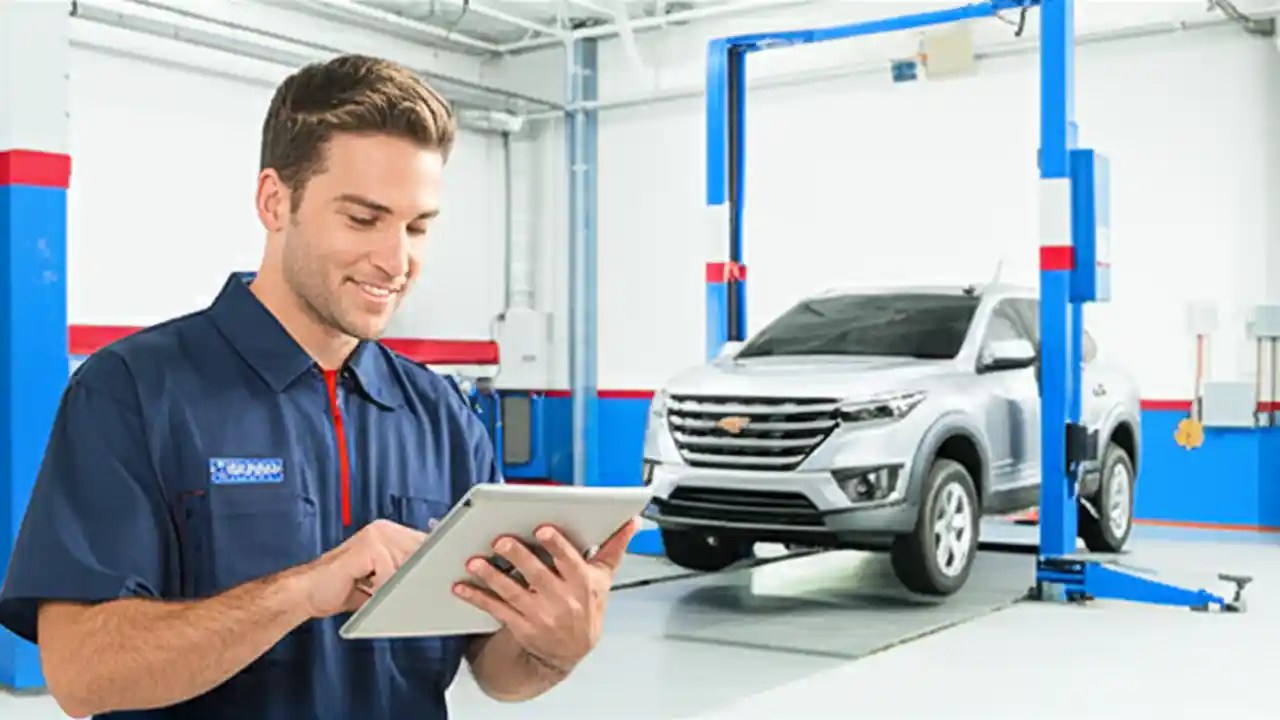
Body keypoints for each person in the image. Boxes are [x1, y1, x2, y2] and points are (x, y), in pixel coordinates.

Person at [0, 53, 637, 719]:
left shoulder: (443, 415)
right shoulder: (133, 391)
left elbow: (494, 668)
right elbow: (81, 673)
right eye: (363, 219)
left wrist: (555, 643)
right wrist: (304, 590)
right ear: (276, 201)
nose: (396, 261)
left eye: (417, 226)